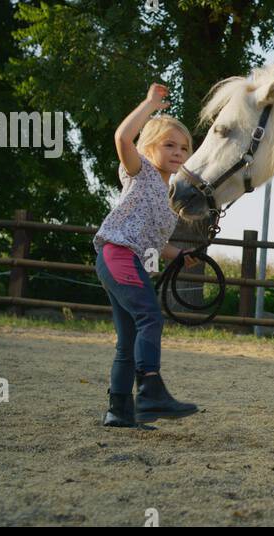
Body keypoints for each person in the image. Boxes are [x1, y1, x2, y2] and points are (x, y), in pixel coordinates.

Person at [93, 82, 201, 428]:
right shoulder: (140, 173)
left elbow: (153, 242)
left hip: (128, 260)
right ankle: (151, 390)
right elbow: (123, 138)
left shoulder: (171, 199)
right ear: (149, 148)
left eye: (184, 148)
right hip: (118, 256)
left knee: (127, 341)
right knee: (150, 318)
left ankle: (119, 411)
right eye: (169, 145)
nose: (178, 153)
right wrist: (150, 104)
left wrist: (178, 254)